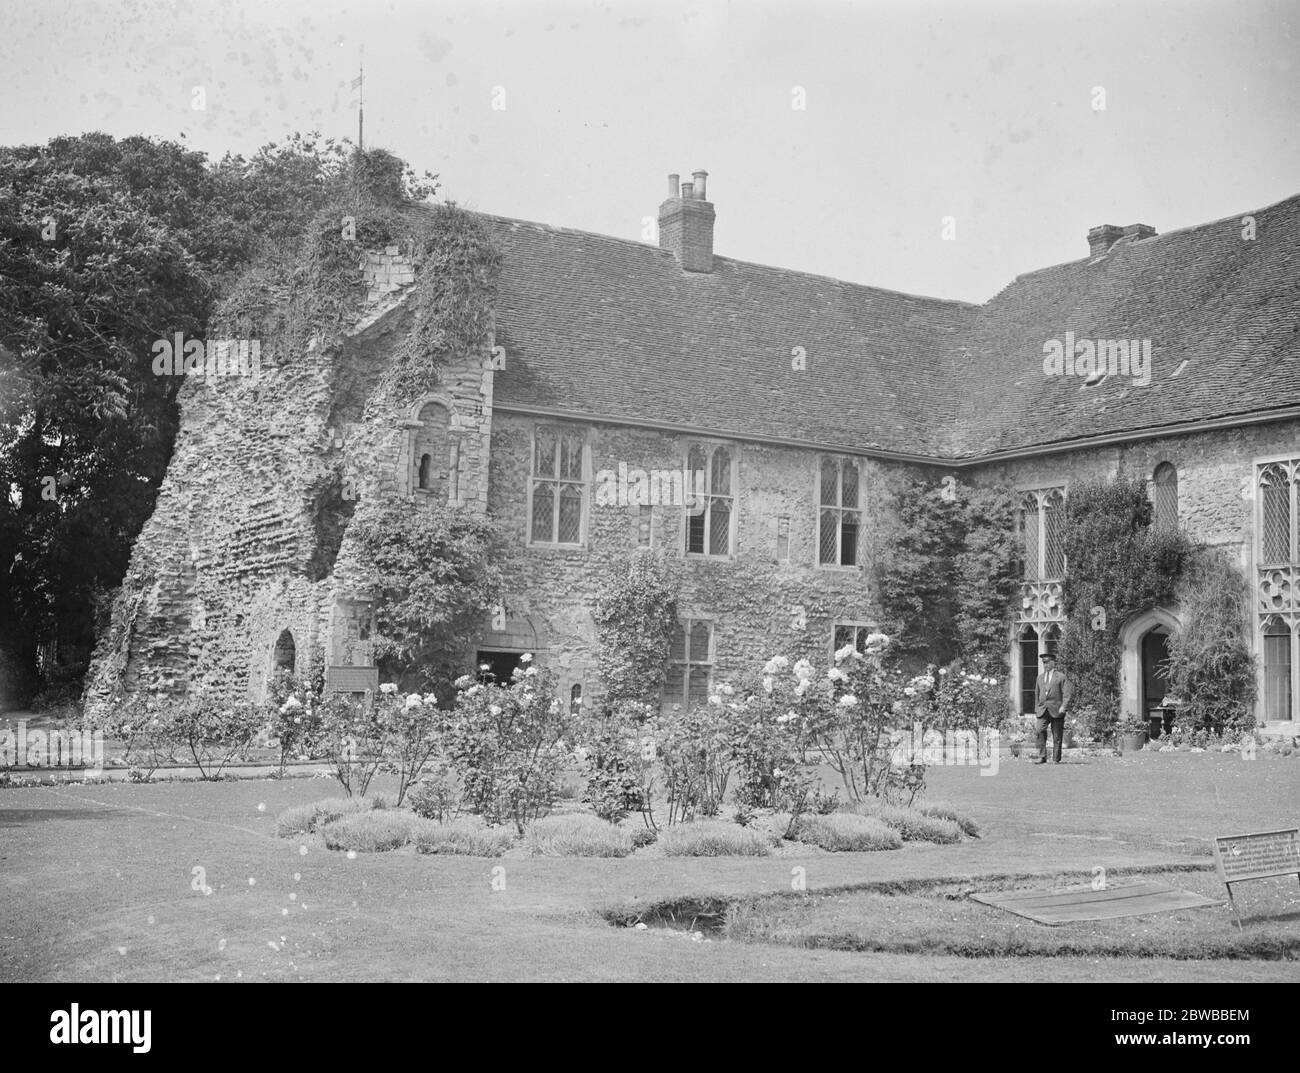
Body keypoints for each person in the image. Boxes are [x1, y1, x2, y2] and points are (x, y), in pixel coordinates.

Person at [1034, 653, 1072, 764]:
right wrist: (1037, 708)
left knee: (1057, 735)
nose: (1045, 665)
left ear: (1053, 663)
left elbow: (1067, 694)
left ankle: (1056, 759)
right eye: (1043, 663)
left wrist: (1063, 706)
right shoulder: (1040, 677)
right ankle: (1042, 757)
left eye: (1047, 662)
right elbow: (1037, 693)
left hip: (1057, 710)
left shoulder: (1061, 677)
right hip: (1043, 710)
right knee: (1039, 730)